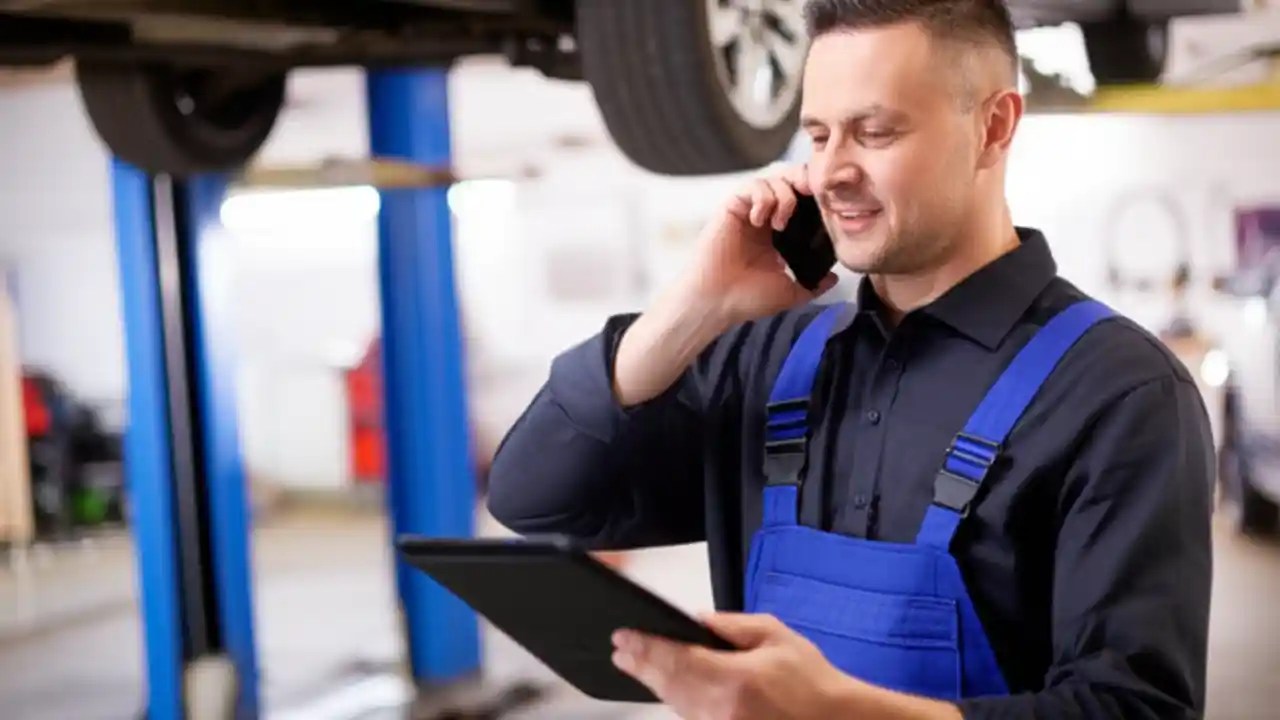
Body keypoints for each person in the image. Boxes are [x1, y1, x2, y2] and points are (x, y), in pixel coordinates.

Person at [486, 1, 1215, 718]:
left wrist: (839, 708)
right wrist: (695, 305)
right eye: (818, 134)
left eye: (874, 131)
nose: (831, 171)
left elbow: (1133, 708)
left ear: (993, 128)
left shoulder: (1119, 392)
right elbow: (535, 497)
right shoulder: (766, 359)